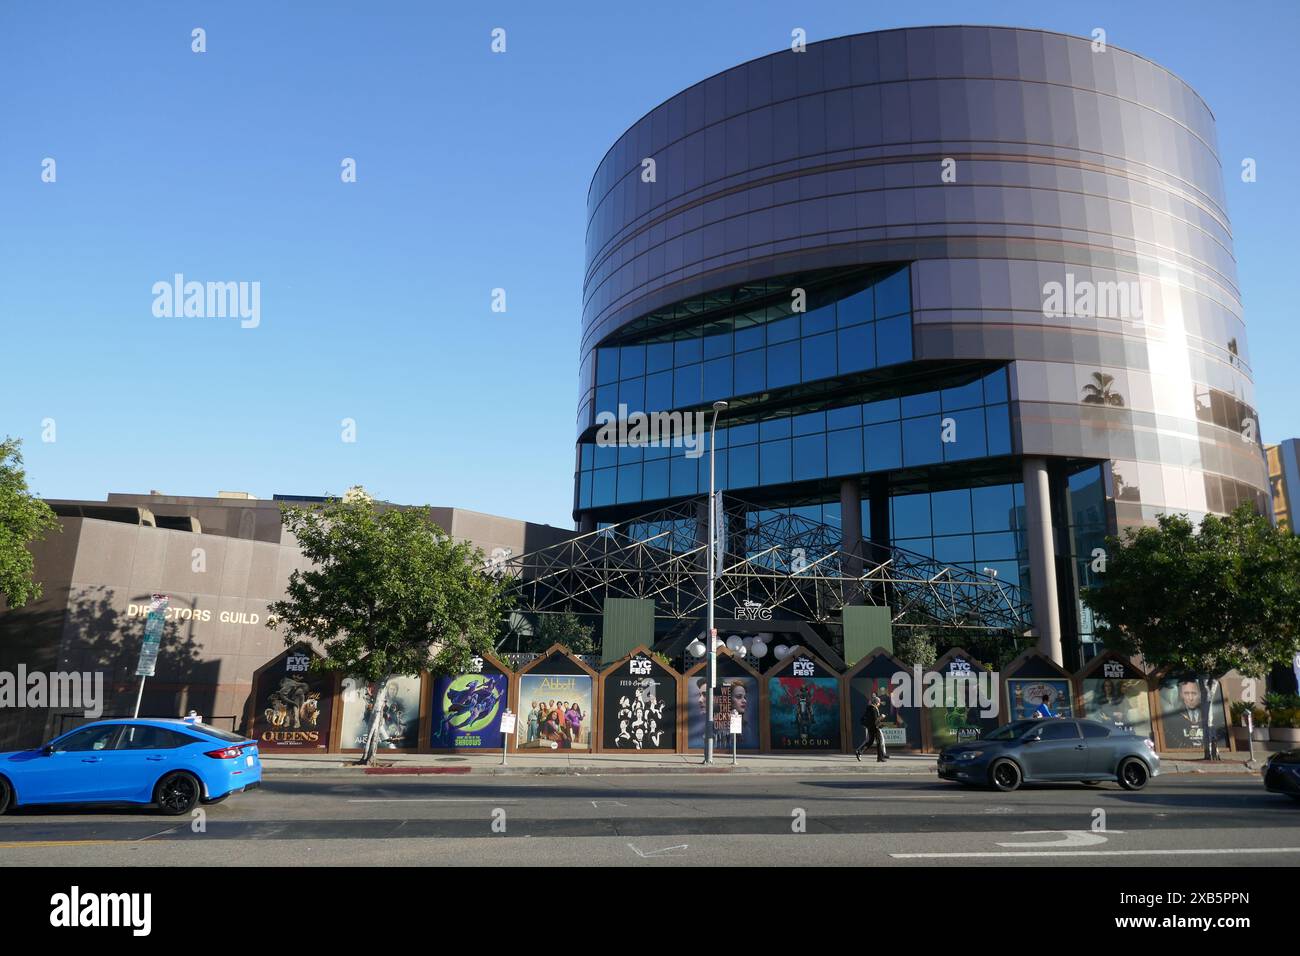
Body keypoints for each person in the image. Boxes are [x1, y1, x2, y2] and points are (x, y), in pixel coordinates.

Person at [856, 693, 888, 762]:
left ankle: (859, 751)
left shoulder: (869, 708)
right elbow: (875, 720)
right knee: (879, 742)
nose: (879, 704)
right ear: (876, 703)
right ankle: (880, 758)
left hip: (870, 727)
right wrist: (881, 717)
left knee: (870, 742)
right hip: (875, 728)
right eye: (879, 703)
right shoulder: (874, 709)